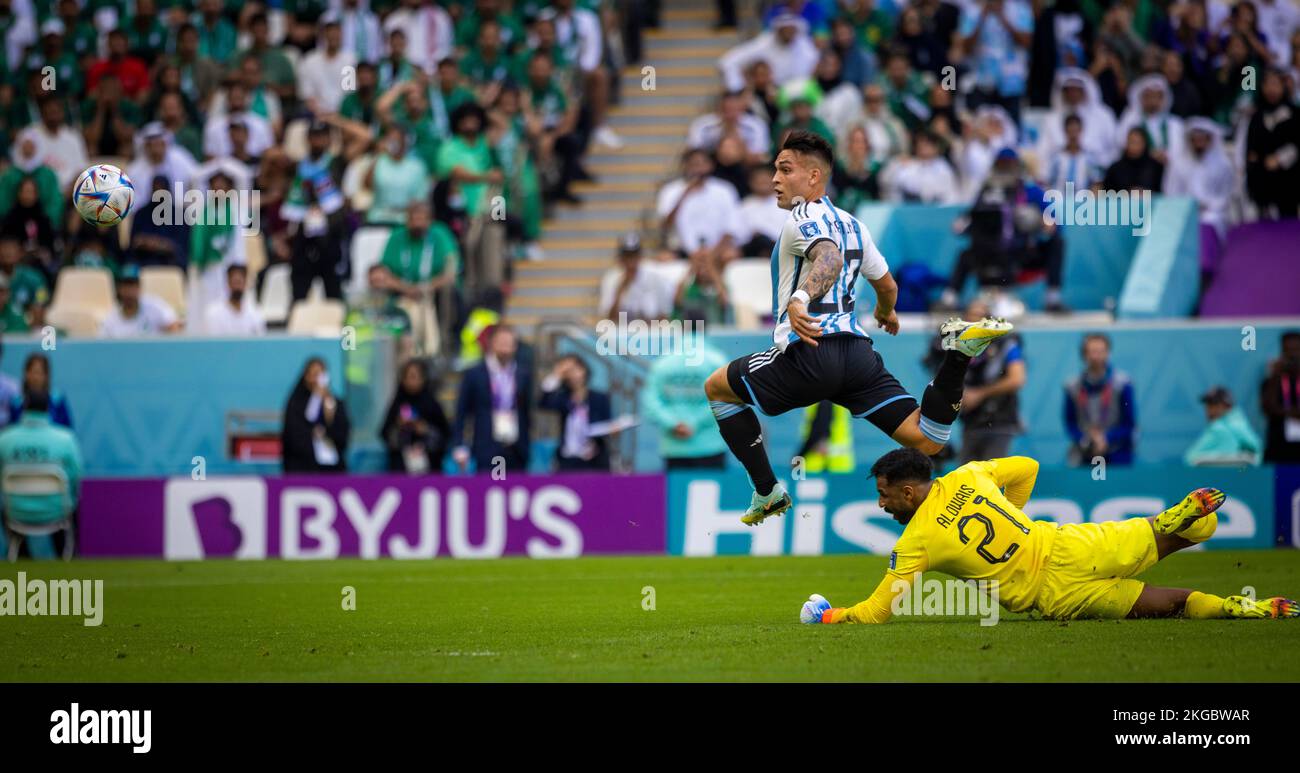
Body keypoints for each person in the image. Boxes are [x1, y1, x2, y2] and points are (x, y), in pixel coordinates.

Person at [704, 130, 1014, 526]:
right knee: (928, 439)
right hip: (856, 356)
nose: (775, 179)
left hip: (810, 350)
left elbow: (828, 259)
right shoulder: (855, 224)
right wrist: (887, 311)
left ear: (814, 177)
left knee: (717, 388)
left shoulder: (801, 217)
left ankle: (767, 491)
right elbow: (888, 285)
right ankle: (958, 355)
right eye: (774, 170)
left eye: (785, 169)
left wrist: (799, 301)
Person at [801, 448, 1298, 623]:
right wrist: (1010, 515)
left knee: (1172, 604)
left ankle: (1241, 606)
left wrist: (828, 617)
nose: (881, 505)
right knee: (1189, 530)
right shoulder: (971, 476)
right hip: (1063, 544)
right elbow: (1028, 467)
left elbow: (875, 613)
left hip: (1056, 596)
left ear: (910, 493)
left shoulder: (915, 543)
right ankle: (1176, 522)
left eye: (886, 495)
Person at [925, 299, 1025, 462]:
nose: (975, 321)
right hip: (970, 421)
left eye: (980, 316)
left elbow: (1017, 378)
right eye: (970, 316)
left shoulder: (1006, 344)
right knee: (967, 475)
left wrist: (979, 394)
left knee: (990, 474)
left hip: (999, 421)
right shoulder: (956, 344)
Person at [0, 390, 83, 560]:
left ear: (23, 408)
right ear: (48, 409)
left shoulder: (5, 439)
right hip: (57, 511)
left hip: (15, 512)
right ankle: (68, 560)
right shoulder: (65, 439)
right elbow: (76, 474)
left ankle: (22, 560)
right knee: (72, 507)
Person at [452, 324, 532, 474]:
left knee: (515, 491)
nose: (506, 347)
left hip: (515, 446)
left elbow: (526, 410)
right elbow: (461, 411)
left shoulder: (522, 374)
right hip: (487, 444)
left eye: (510, 343)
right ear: (491, 343)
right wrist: (459, 444)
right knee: (494, 488)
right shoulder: (475, 374)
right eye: (502, 342)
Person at [641, 338, 730, 470]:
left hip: (675, 447)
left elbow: (651, 404)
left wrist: (674, 424)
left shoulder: (663, 362)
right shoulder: (717, 360)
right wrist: (695, 423)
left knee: (677, 490)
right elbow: (725, 400)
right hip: (710, 446)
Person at [1064, 332, 1136, 466]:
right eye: (1092, 352)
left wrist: (1107, 439)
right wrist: (1085, 440)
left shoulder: (1123, 384)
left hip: (1118, 452)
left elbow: (1129, 424)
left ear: (1108, 353)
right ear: (1084, 355)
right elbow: (1070, 423)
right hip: (1084, 452)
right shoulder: (1072, 386)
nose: (1096, 356)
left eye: (1101, 351)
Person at [539, 354, 612, 472]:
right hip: (568, 460)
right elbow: (543, 403)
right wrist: (556, 375)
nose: (573, 374)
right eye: (568, 371)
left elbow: (607, 424)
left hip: (594, 459)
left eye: (575, 369)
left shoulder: (599, 398)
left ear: (584, 370)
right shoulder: (563, 398)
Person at [380, 359, 452, 474]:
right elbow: (384, 434)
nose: (412, 381)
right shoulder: (397, 403)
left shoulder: (431, 404)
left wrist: (425, 430)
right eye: (408, 377)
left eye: (415, 377)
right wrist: (399, 426)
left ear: (423, 379)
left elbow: (445, 435)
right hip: (401, 468)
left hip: (429, 467)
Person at [281, 357, 351, 473]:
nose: (316, 380)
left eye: (320, 375)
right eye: (313, 374)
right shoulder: (296, 402)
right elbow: (293, 435)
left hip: (331, 468)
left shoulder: (334, 403)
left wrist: (329, 417)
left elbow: (342, 435)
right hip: (302, 467)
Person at [599, 232, 676, 322]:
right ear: (621, 258)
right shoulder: (612, 278)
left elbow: (666, 313)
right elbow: (608, 318)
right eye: (627, 256)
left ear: (640, 256)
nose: (631, 261)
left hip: (652, 332)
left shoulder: (654, 276)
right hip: (621, 333)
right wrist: (620, 291)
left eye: (634, 256)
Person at [1184, 386, 1263, 466]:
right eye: (1207, 405)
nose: (1209, 410)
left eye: (1214, 404)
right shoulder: (1241, 426)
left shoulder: (1217, 429)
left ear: (1227, 406)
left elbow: (1189, 459)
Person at [99, 265, 182, 338]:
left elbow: (174, 326)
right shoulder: (110, 319)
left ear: (139, 287)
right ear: (119, 289)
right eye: (125, 286)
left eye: (133, 285)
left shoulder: (155, 306)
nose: (129, 291)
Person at [1262, 330, 1300, 464]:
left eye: (1296, 350)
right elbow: (1267, 408)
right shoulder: (1273, 379)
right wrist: (1276, 375)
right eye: (1288, 351)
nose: (1293, 355)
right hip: (1279, 449)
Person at [10, 353, 72, 428]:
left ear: (46, 375)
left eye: (39, 372)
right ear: (25, 374)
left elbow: (67, 429)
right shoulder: (16, 402)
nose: (35, 377)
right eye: (31, 372)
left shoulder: (57, 400)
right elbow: (12, 427)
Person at [204, 264, 266, 336]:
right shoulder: (213, 313)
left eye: (239, 282)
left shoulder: (255, 313)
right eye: (234, 282)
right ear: (228, 282)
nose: (237, 287)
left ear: (245, 283)